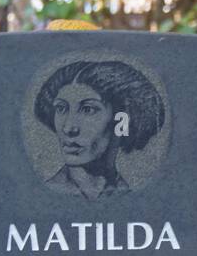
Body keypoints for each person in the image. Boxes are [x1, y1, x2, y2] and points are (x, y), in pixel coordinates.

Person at [33, 60, 164, 199]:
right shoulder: (39, 196)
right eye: (61, 108)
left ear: (122, 120)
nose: (68, 128)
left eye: (88, 110)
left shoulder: (137, 197)